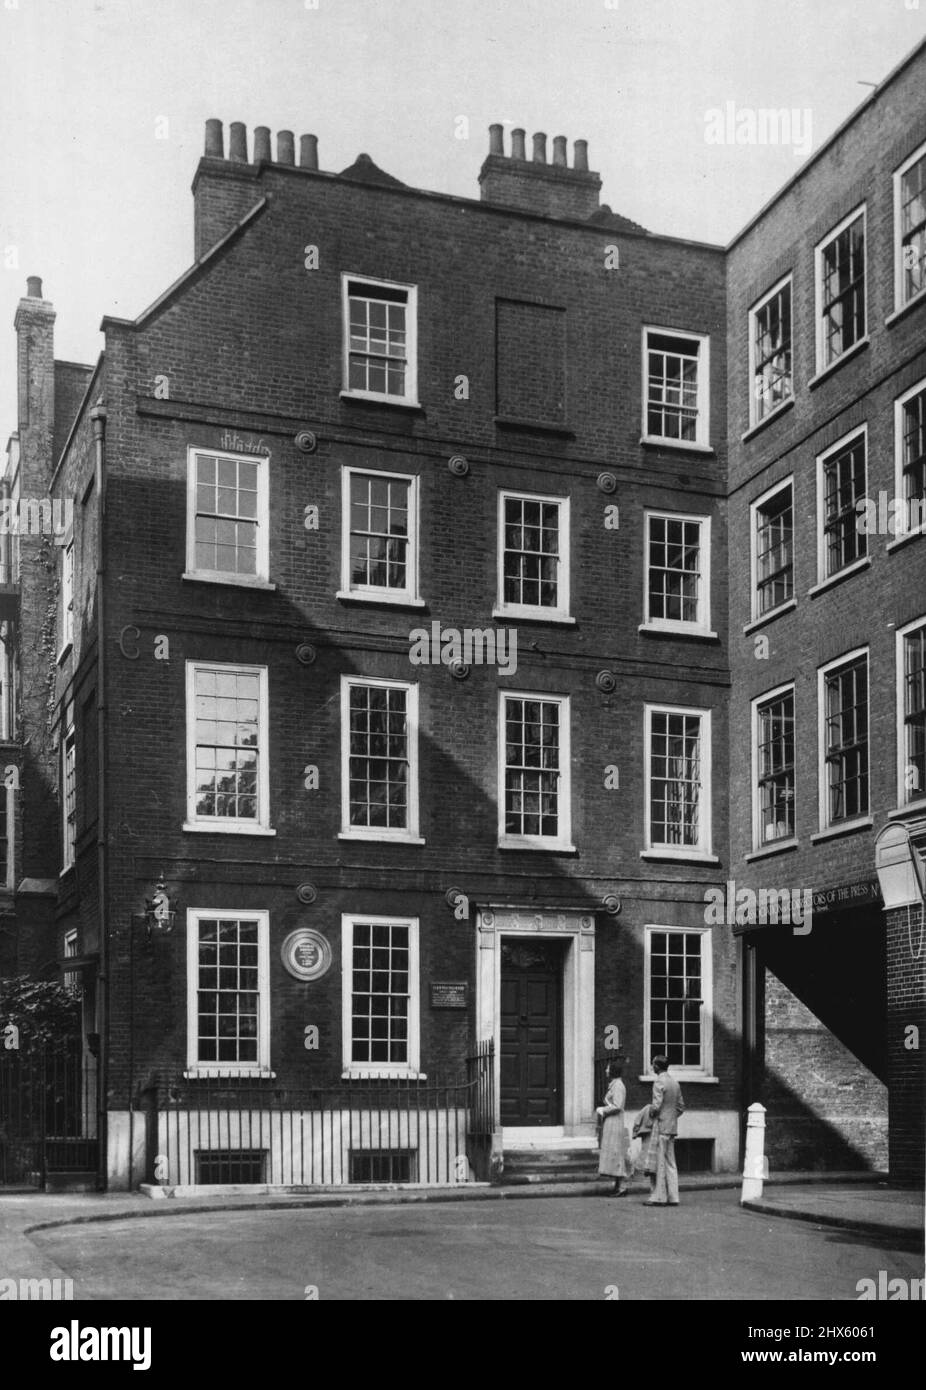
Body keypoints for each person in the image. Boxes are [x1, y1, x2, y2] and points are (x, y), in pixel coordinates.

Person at [644, 1054, 684, 1207]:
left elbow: (656, 1106)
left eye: (653, 1064)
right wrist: (671, 1117)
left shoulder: (659, 1082)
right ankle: (673, 1197)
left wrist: (652, 1114)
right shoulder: (674, 1082)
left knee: (659, 1163)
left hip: (660, 1126)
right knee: (671, 1163)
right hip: (672, 1126)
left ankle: (659, 1197)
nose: (652, 1066)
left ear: (657, 1066)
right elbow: (681, 1107)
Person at [596, 1059, 629, 1196]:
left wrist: (602, 1110)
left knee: (616, 1153)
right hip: (611, 1122)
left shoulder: (618, 1086)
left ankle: (621, 1187)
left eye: (608, 1068)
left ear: (613, 1071)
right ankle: (618, 1185)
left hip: (615, 1122)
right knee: (614, 1152)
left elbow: (617, 1106)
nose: (606, 1071)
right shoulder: (615, 1085)